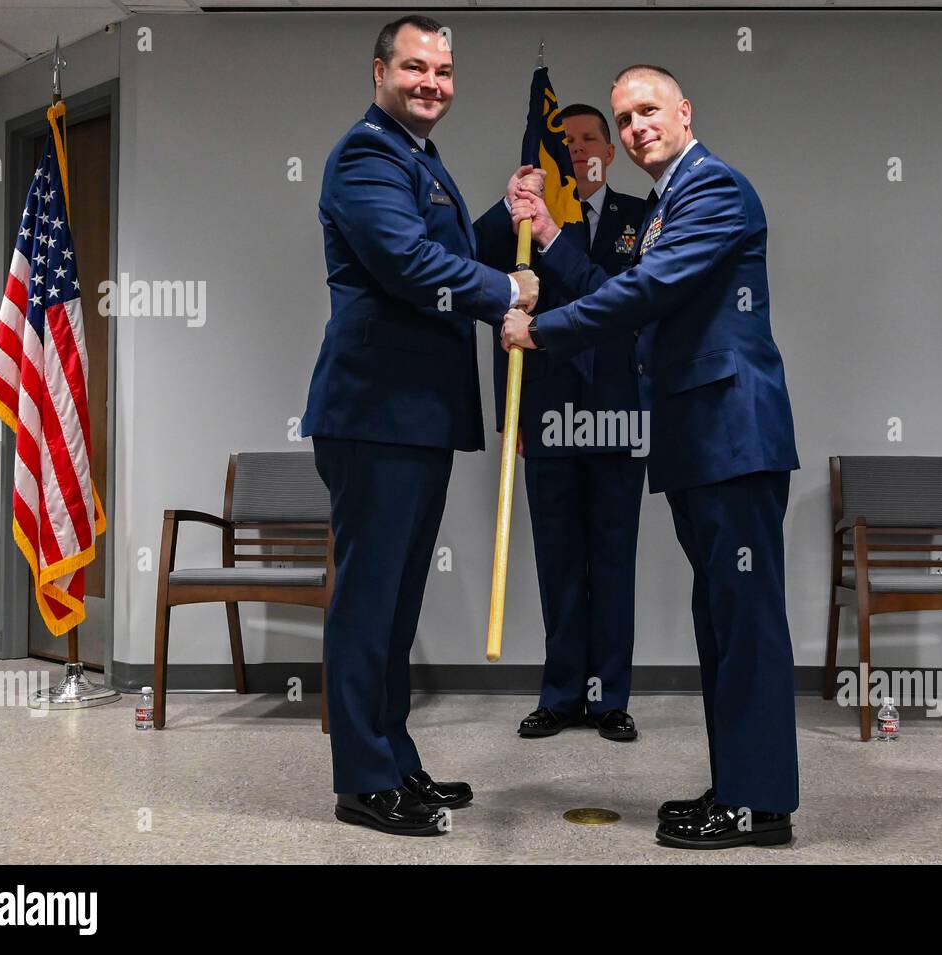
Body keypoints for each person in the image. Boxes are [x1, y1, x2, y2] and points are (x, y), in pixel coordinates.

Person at [502, 65, 800, 850]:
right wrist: (543, 229)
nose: (635, 128)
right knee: (722, 622)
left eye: (646, 111)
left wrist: (544, 331)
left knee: (747, 624)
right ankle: (738, 786)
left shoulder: (713, 189)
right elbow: (622, 284)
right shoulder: (673, 202)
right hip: (701, 439)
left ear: (684, 111)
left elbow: (647, 290)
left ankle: (758, 806)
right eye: (626, 118)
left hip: (732, 434)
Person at [302, 15, 539, 837]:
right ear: (378, 71)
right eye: (415, 67)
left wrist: (496, 220)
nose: (431, 81)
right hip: (378, 411)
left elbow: (440, 250)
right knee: (369, 600)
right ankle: (363, 781)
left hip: (417, 415)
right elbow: (406, 263)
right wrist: (508, 292)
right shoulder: (367, 154)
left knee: (397, 601)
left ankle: (395, 760)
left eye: (443, 69)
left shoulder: (417, 159)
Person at [474, 104, 647, 743]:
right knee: (557, 560)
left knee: (611, 560)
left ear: (609, 147)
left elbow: (622, 307)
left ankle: (609, 700)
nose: (578, 150)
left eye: (589, 138)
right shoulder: (522, 227)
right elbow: (479, 277)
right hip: (545, 414)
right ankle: (562, 693)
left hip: (618, 414)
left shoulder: (640, 220)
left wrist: (552, 237)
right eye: (566, 141)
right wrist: (508, 203)